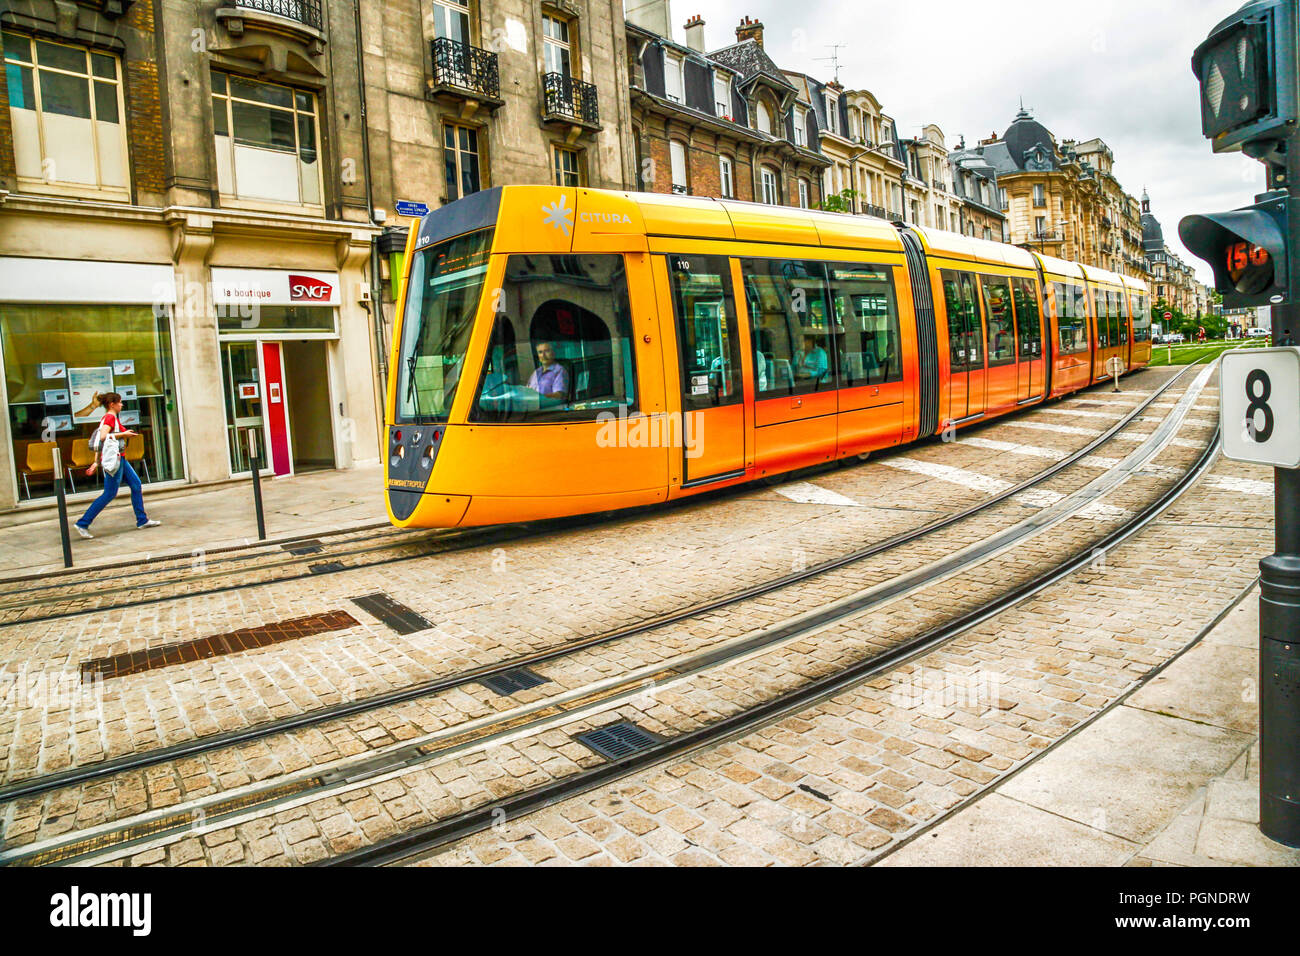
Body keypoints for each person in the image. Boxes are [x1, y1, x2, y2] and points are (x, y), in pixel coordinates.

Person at [73, 392, 160, 539]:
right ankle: (82, 523)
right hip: (116, 461)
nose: (122, 404)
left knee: (136, 485)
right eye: (119, 402)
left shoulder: (111, 418)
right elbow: (102, 437)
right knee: (109, 493)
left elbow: (101, 444)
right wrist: (124, 434)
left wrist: (95, 462)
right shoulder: (109, 418)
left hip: (120, 460)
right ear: (112, 404)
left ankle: (142, 520)